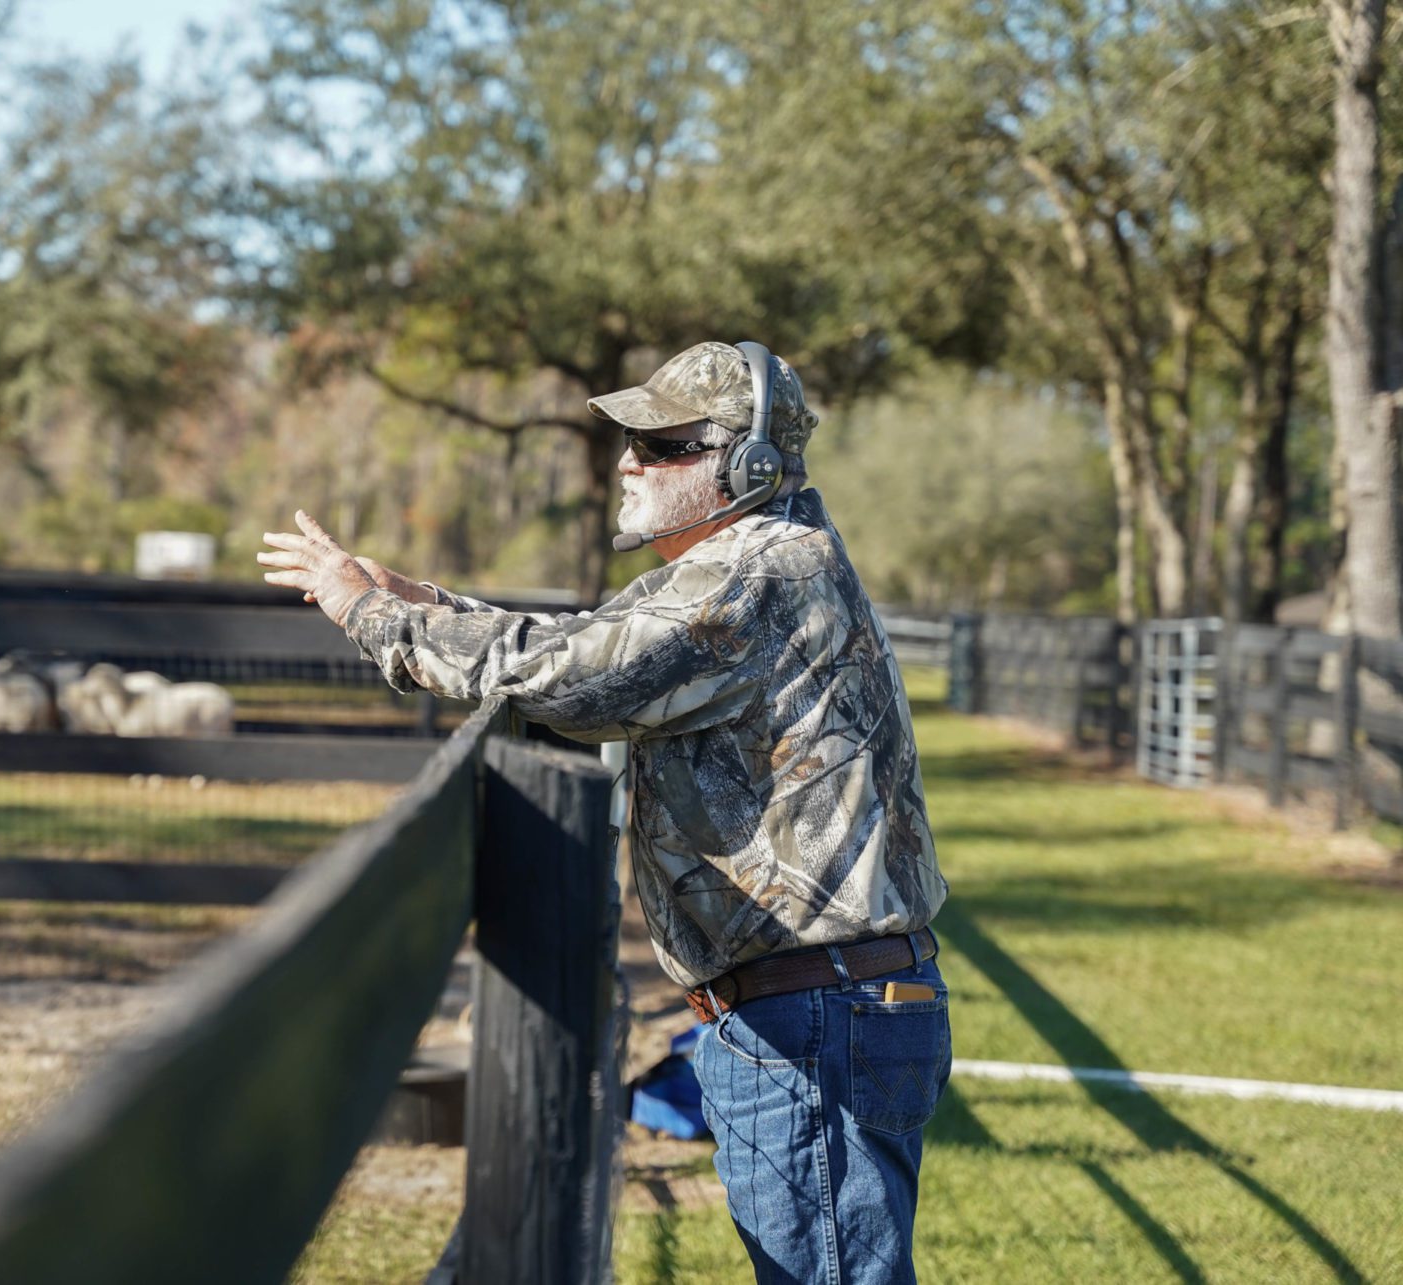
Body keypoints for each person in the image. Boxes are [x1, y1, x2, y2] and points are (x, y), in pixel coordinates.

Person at [259, 341, 951, 1284]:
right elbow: (600, 643)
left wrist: (369, 615)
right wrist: (427, 601)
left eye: (662, 445)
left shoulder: (754, 574)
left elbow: (576, 680)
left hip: (814, 1018)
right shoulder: (754, 560)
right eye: (631, 440)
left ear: (741, 466)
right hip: (813, 1008)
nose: (627, 461)